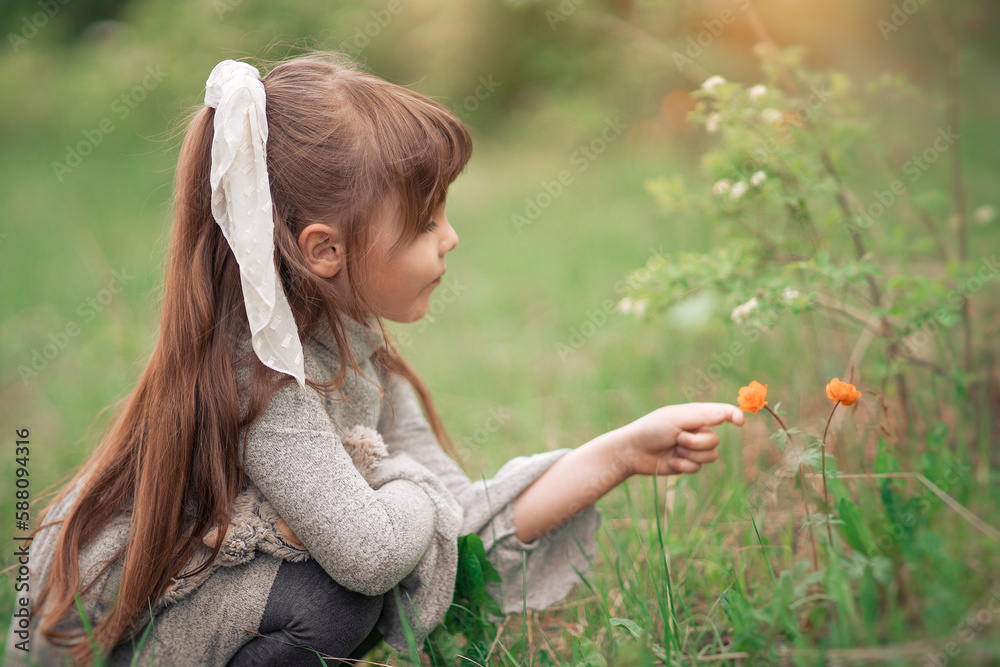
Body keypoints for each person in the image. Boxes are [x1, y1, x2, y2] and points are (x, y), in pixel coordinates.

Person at [5, 52, 744, 666]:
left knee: (377, 564)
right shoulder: (263, 384)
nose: (449, 238)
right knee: (339, 594)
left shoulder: (359, 353)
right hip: (102, 638)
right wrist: (403, 480)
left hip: (206, 613)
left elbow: (463, 530)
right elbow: (371, 551)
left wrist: (616, 452)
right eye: (426, 221)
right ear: (323, 248)